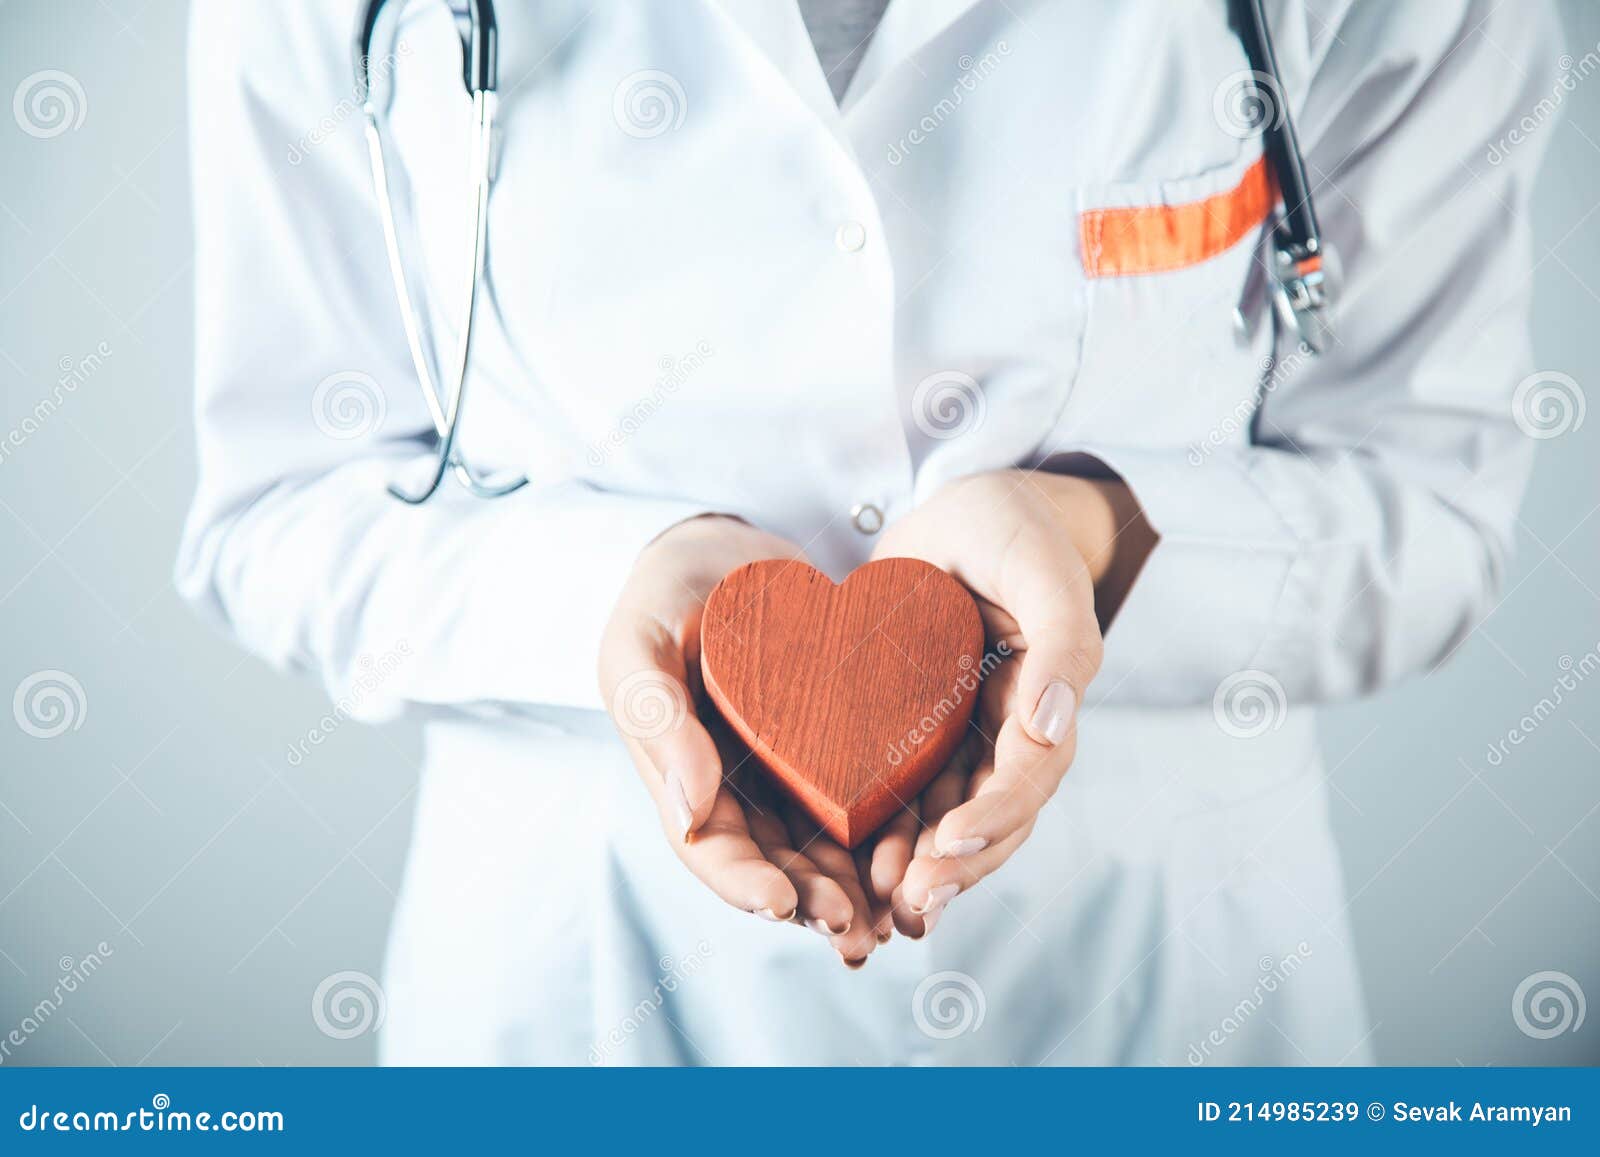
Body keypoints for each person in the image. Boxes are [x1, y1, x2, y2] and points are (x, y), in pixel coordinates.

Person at [179, 0, 1559, 1064]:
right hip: (575, 1004)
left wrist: (1095, 533)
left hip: (1168, 995)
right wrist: (612, 593)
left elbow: (1429, 506)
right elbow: (280, 508)